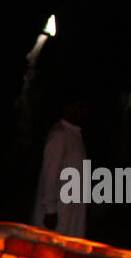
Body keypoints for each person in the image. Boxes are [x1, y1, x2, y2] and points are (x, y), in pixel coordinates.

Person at [32, 97, 89, 237]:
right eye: (76, 107)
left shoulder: (75, 136)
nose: (80, 112)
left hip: (71, 214)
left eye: (83, 108)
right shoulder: (59, 135)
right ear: (67, 108)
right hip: (58, 216)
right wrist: (50, 210)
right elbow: (50, 173)